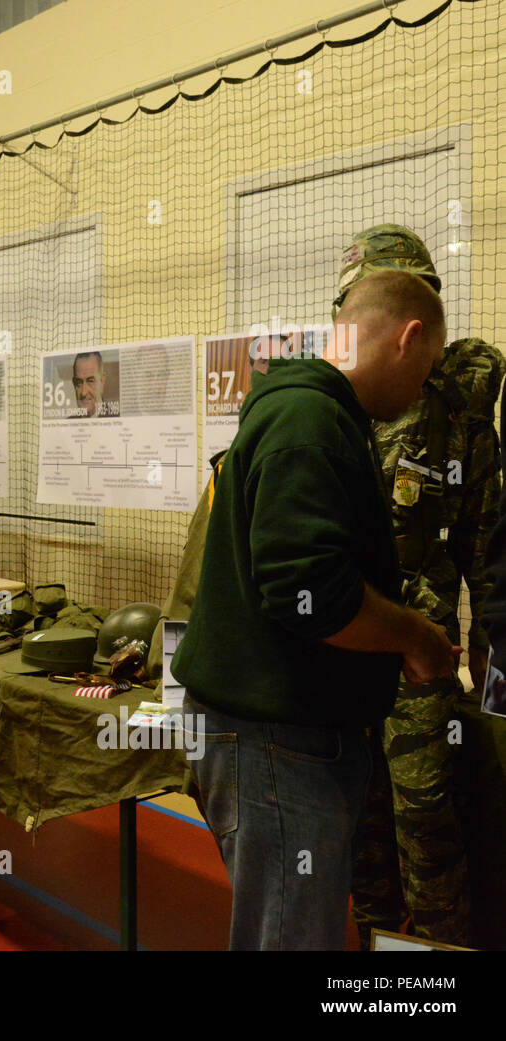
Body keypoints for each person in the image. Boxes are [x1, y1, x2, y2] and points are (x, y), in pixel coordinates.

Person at [172, 270, 458, 951]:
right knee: (292, 937)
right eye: (427, 368)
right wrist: (415, 636)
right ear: (408, 337)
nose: (424, 390)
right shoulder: (310, 422)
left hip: (281, 741)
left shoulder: (314, 412)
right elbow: (313, 594)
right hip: (277, 748)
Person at [337, 226, 503, 950]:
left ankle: (436, 963)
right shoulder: (330, 402)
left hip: (424, 657)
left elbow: (486, 549)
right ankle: (379, 952)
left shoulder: (456, 412)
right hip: (343, 648)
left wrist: (495, 685)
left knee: (429, 817)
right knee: (359, 821)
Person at [71, 351, 105, 417]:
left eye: (90, 381)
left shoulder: (119, 418)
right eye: (79, 382)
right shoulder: (67, 423)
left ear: (102, 381)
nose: (84, 393)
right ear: (74, 384)